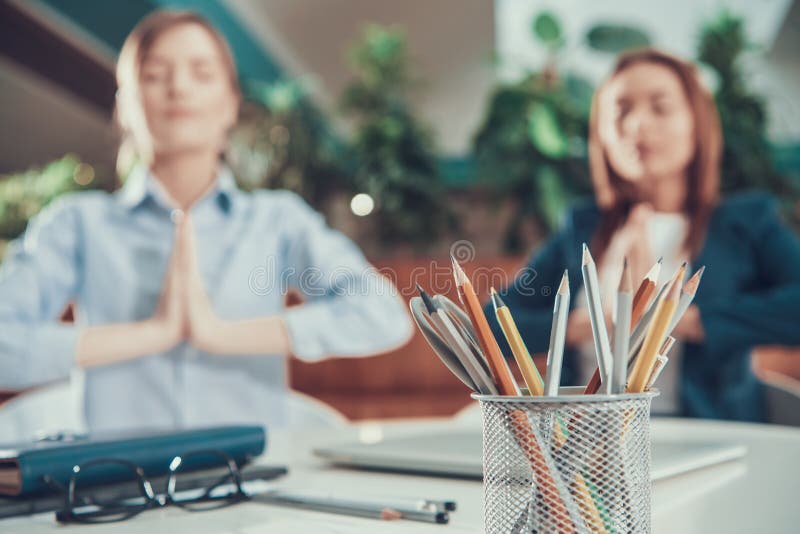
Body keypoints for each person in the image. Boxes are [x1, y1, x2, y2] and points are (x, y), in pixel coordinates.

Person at [0, 10, 412, 432]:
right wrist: (153, 333)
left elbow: (382, 315)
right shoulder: (76, 224)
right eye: (157, 74)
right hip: (114, 489)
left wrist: (219, 334)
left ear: (232, 104)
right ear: (126, 105)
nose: (179, 87)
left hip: (255, 484)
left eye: (201, 72)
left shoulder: (278, 220)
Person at [486, 48, 800, 422]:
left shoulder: (746, 222)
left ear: (697, 123)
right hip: (583, 442)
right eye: (620, 111)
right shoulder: (581, 226)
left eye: (660, 107)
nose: (637, 125)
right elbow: (492, 324)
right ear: (601, 132)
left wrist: (679, 320)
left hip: (706, 437)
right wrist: (592, 326)